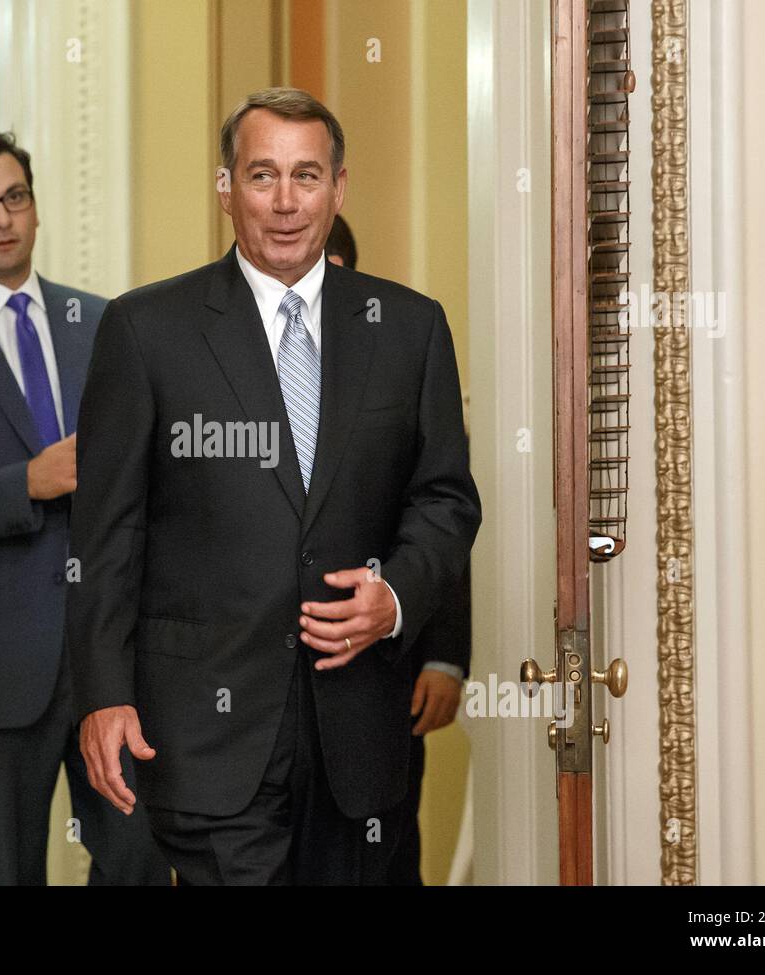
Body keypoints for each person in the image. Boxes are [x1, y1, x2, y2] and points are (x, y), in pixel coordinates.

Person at [66, 87, 481, 885]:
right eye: (263, 176)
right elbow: (108, 532)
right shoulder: (146, 329)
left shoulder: (410, 327)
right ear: (226, 189)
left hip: (359, 730)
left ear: (339, 187)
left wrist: (395, 596)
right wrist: (104, 692)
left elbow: (445, 499)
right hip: (205, 732)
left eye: (307, 176)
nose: (286, 202)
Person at [0, 133, 169, 885]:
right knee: (6, 867)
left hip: (110, 653)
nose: (2, 219)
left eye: (15, 197)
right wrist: (26, 480)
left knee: (137, 859)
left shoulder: (106, 321)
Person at [324, 214, 471, 885]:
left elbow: (442, 513)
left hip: (385, 679)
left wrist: (445, 655)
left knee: (386, 859)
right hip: (260, 699)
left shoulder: (406, 351)